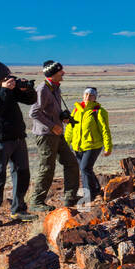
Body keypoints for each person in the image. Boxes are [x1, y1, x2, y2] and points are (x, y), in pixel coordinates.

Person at [0, 61, 37, 228]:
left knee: (22, 173)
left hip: (17, 137)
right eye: (5, 77)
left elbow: (30, 100)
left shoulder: (9, 88)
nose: (9, 79)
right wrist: (4, 90)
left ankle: (18, 209)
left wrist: (27, 89)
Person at [28, 59, 80, 213]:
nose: (63, 73)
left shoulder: (55, 88)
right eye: (60, 71)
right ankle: (36, 201)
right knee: (47, 168)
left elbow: (49, 110)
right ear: (52, 74)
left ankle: (70, 197)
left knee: (71, 163)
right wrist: (52, 125)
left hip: (56, 134)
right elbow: (34, 112)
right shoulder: (43, 89)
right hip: (45, 135)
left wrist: (61, 117)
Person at [65, 86, 112, 204]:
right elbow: (70, 128)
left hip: (93, 146)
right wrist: (65, 144)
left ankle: (88, 196)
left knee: (84, 168)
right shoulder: (76, 110)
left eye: (91, 95)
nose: (88, 97)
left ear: (95, 97)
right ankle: (96, 189)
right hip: (78, 146)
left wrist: (108, 147)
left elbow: (105, 130)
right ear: (83, 96)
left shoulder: (99, 112)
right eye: (86, 94)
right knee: (86, 169)